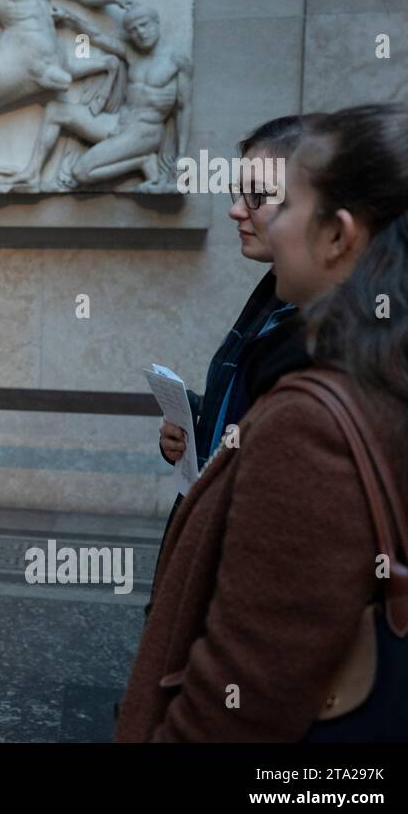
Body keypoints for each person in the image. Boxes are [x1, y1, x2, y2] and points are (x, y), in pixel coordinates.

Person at [117, 103, 408, 741]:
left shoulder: (313, 426)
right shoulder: (401, 370)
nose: (253, 217)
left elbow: (237, 705)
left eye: (283, 206)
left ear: (338, 235)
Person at [145, 116, 306, 618]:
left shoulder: (324, 338)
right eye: (240, 191)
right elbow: (244, 415)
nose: (237, 209)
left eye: (257, 196)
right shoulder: (273, 298)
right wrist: (195, 425)